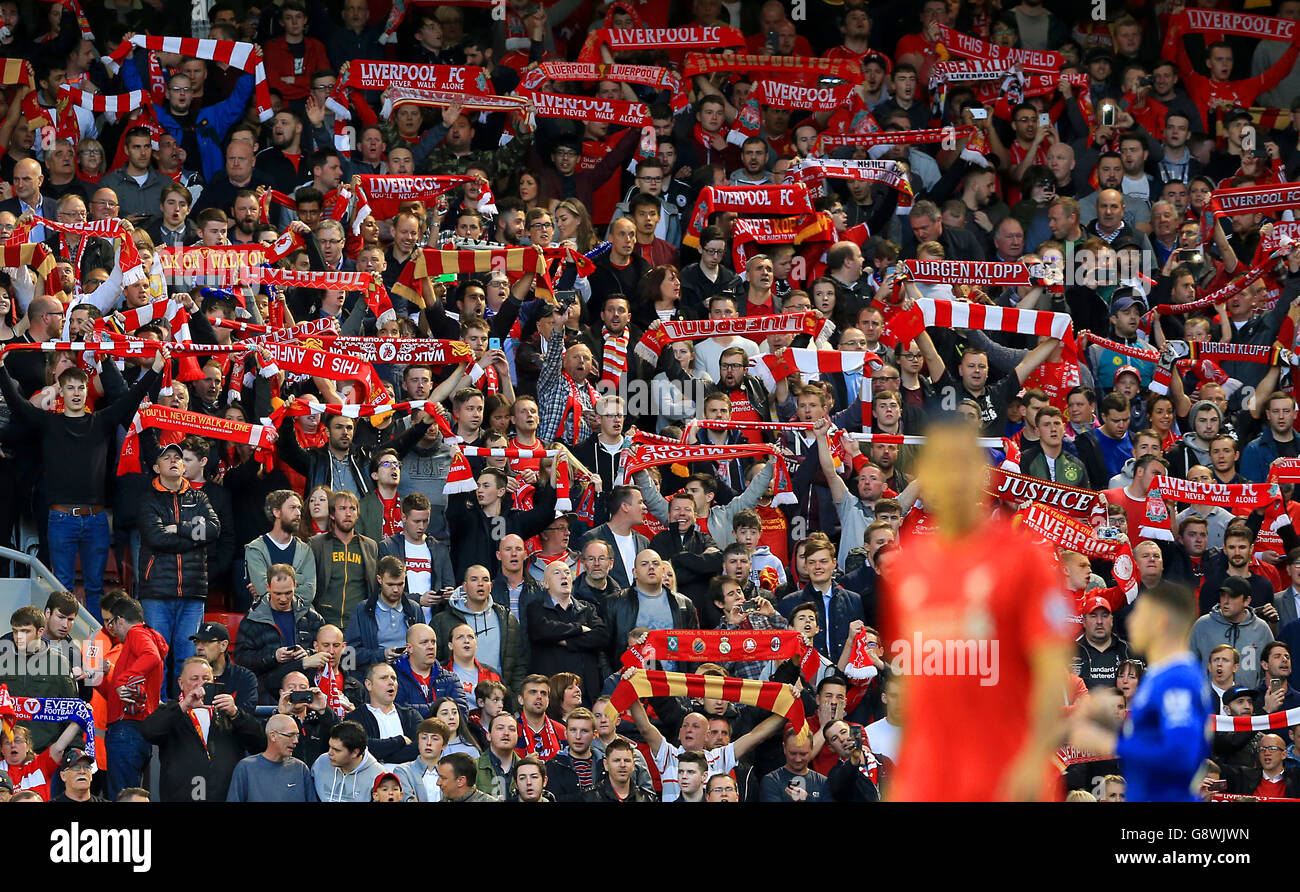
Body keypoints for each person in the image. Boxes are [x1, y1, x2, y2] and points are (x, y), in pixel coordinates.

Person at [883, 421, 1071, 801]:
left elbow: (1052, 674)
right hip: (932, 776)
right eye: (941, 464)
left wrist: (1033, 759)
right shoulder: (907, 569)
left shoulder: (1024, 559)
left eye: (963, 462)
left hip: (1006, 770)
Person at [1071, 582, 1214, 802]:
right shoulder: (1159, 675)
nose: (1129, 620)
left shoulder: (1177, 679)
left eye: (1139, 613)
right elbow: (1154, 742)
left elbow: (1180, 756)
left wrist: (1107, 743)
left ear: (1160, 621)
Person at [137, 442, 223, 694]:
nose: (174, 461)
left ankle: (188, 710)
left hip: (193, 591)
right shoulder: (148, 500)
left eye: (178, 457)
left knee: (188, 661)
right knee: (156, 658)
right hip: (157, 591)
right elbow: (157, 538)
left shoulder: (200, 497)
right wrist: (194, 536)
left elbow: (214, 529)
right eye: (167, 458)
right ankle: (158, 708)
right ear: (156, 467)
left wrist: (178, 527)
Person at [139, 656, 266, 802]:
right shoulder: (172, 711)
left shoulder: (228, 713)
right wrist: (183, 706)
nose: (201, 684)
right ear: (181, 683)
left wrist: (236, 713)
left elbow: (259, 744)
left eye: (206, 678)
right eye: (194, 678)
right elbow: (148, 732)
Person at [234, 564, 326, 703]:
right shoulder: (253, 619)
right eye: (277, 593)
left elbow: (327, 651)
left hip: (306, 691)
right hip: (266, 694)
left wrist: (308, 654)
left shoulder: (312, 617)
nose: (283, 599)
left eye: (288, 592)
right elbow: (241, 659)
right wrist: (273, 656)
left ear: (295, 585)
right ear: (267, 587)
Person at [526, 562, 609, 705]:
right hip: (552, 695)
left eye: (567, 572)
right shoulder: (536, 608)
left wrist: (566, 642)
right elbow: (542, 631)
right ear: (546, 583)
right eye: (557, 573)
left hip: (586, 693)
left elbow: (601, 636)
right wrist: (579, 628)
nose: (564, 575)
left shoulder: (587, 608)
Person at [343, 662, 423, 764]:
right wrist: (400, 741)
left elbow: (421, 746)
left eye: (393, 678)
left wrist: (383, 757)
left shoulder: (411, 716)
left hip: (408, 778)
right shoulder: (355, 718)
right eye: (384, 678)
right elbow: (363, 747)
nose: (391, 682)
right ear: (369, 685)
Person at [227, 714, 316, 802]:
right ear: (273, 736)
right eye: (290, 735)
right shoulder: (245, 768)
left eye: (297, 735)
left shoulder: (301, 769)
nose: (295, 741)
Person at [189, 621, 258, 716]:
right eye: (196, 642)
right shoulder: (189, 676)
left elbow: (249, 720)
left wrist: (234, 711)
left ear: (223, 645)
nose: (199, 648)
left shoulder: (244, 677)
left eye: (206, 642)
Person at [311, 721, 385, 802]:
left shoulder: (378, 775)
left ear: (355, 752)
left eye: (337, 750)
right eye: (330, 747)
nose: (330, 753)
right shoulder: (321, 762)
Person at [584, 737, 657, 802]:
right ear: (606, 764)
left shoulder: (648, 799)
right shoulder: (589, 798)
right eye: (617, 760)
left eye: (627, 760)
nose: (622, 765)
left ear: (633, 765)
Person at [395, 717, 451, 802]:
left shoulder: (452, 772)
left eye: (434, 738)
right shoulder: (403, 771)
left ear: (444, 745)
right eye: (424, 738)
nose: (428, 743)